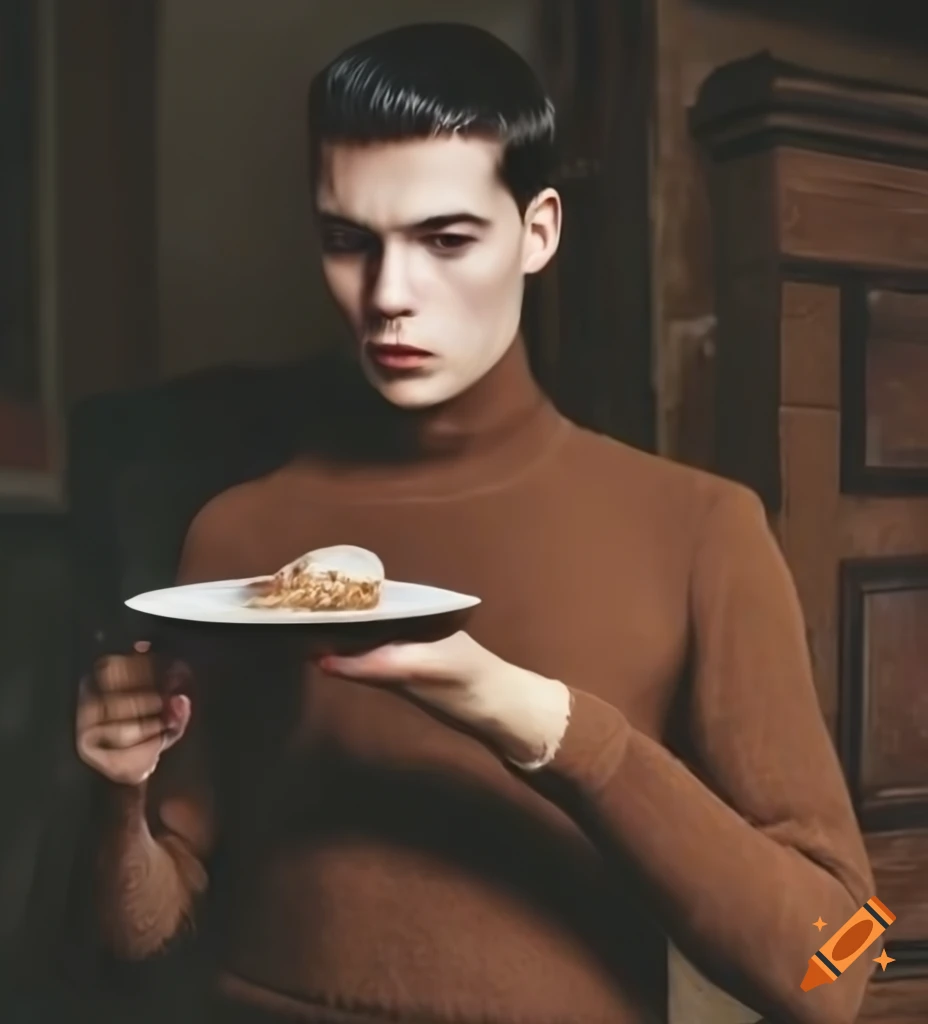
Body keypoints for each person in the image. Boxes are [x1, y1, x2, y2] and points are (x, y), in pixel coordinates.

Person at [75, 23, 875, 1024]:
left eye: (446, 239)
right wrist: (118, 796)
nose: (388, 295)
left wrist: (534, 720)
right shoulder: (238, 535)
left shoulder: (699, 529)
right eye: (347, 240)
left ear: (538, 231)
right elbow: (146, 942)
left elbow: (840, 966)